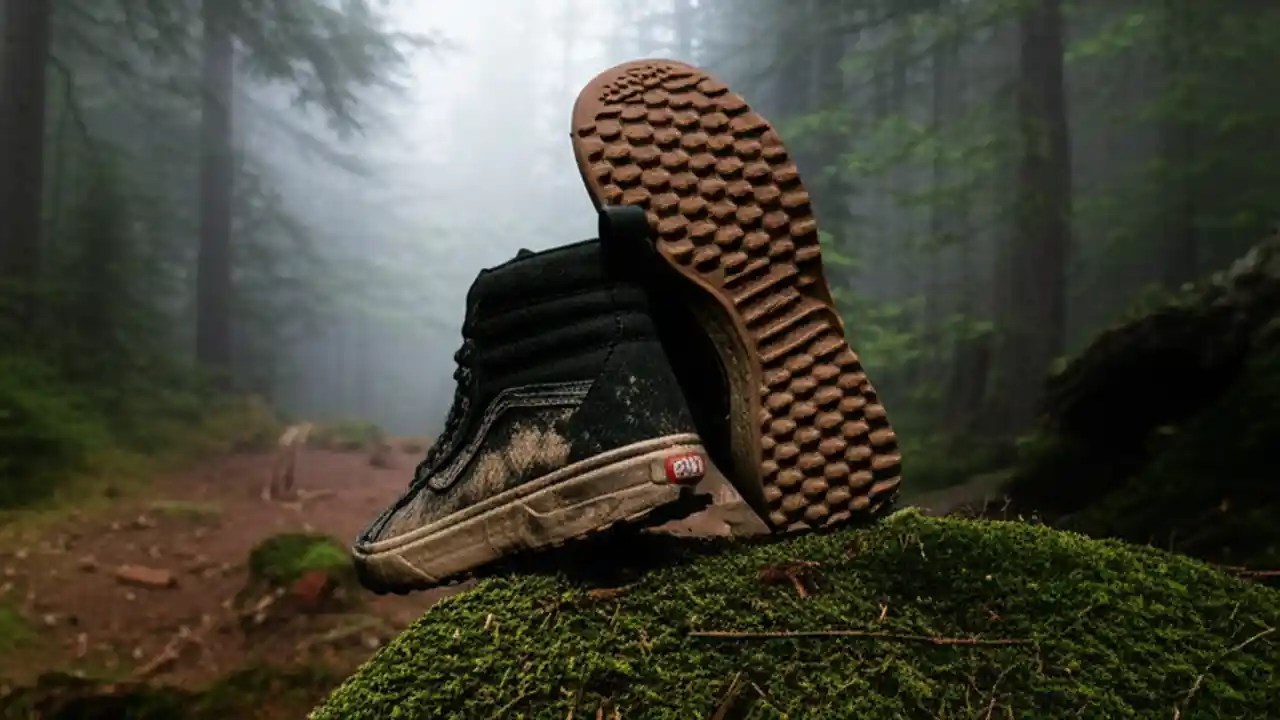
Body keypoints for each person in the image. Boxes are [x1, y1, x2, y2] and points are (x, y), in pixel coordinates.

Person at [351, 59, 902, 595]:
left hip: (589, 400)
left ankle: (576, 426)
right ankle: (648, 420)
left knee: (530, 292)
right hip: (648, 392)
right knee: (627, 284)